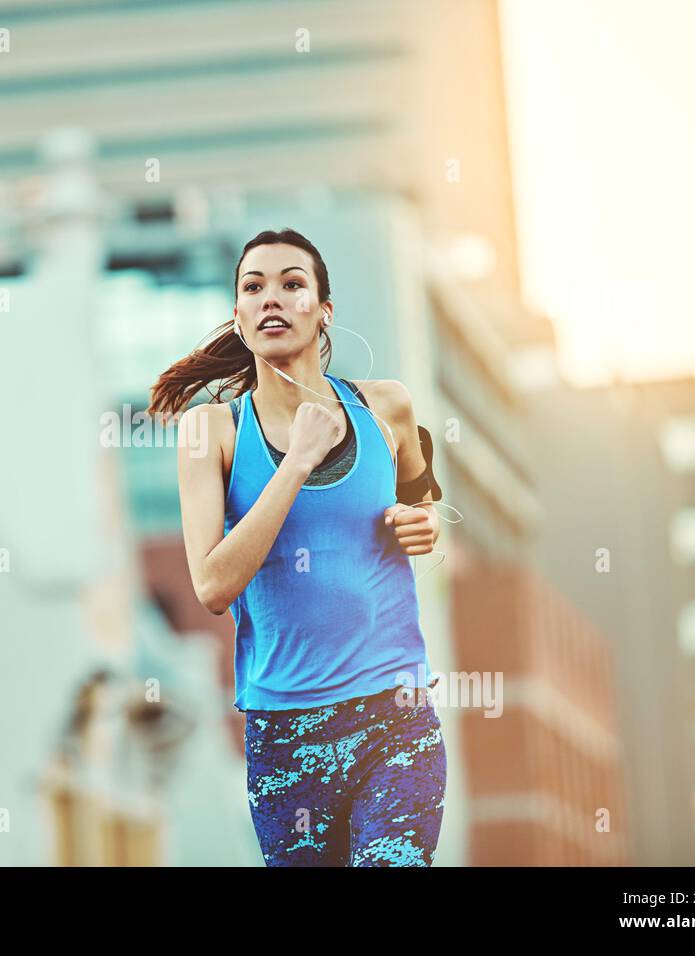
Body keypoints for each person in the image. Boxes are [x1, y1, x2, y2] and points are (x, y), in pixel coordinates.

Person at [146, 228, 447, 866]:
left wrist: (426, 522)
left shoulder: (384, 406)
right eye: (253, 288)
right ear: (239, 317)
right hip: (287, 737)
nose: (271, 298)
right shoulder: (213, 432)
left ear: (323, 309)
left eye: (292, 284)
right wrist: (297, 463)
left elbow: (421, 493)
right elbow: (211, 586)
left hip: (394, 717)